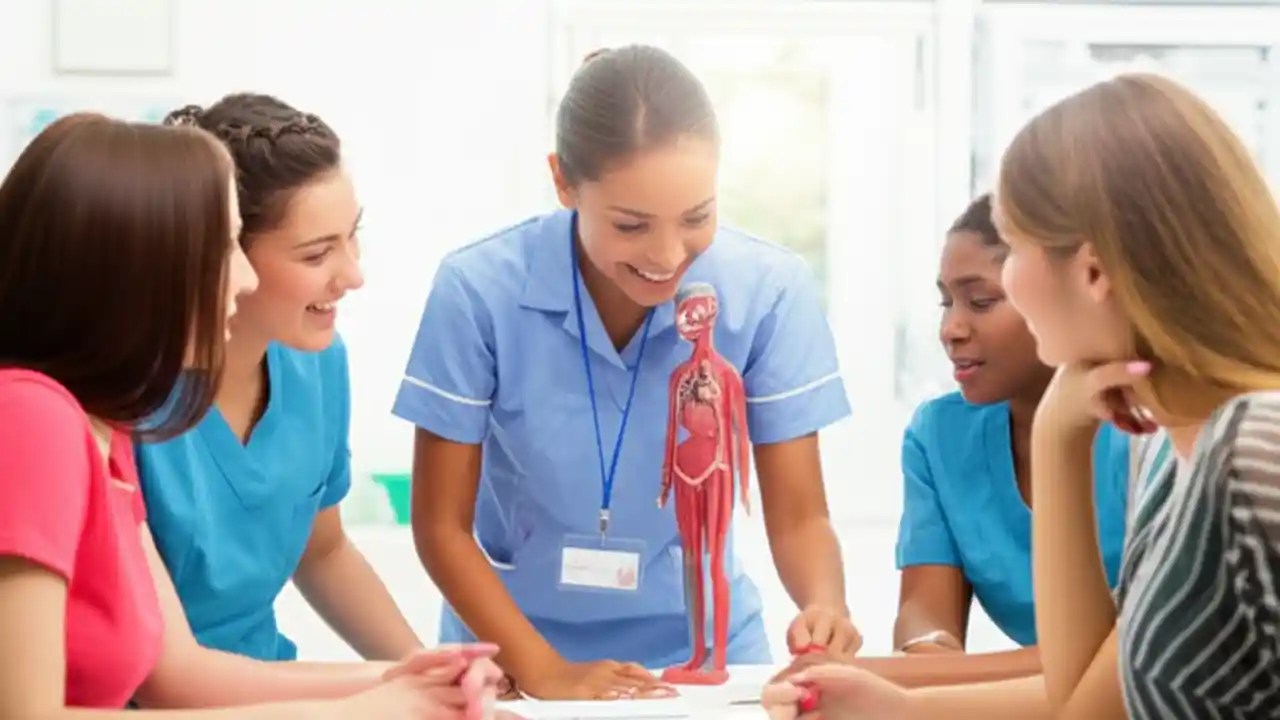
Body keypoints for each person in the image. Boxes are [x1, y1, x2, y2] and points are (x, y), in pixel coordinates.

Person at [763, 71, 1280, 719]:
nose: (954, 324)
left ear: (1092, 272)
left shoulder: (1252, 450)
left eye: (1013, 252)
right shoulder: (1180, 473)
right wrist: (1059, 435)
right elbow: (1087, 705)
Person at [394, 44, 859, 701]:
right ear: (563, 183)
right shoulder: (478, 290)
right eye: (631, 225)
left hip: (705, 661)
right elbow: (440, 527)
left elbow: (799, 515)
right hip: (514, 655)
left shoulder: (769, 290)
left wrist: (824, 604)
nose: (669, 255)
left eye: (697, 217)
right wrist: (544, 671)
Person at [0, 113, 505, 718]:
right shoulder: (34, 415)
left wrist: (412, 683)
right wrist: (371, 706)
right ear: (143, 269)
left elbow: (179, 671)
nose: (241, 279)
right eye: (223, 249)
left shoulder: (102, 431)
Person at [773, 194, 1130, 689]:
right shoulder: (940, 435)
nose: (951, 329)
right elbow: (926, 615)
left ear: (1083, 282)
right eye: (946, 301)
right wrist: (927, 655)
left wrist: (882, 676)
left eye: (981, 302)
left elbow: (1120, 656)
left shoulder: (1148, 432)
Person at [134, 93, 422, 664]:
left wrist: (426, 670)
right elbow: (170, 675)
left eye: (352, 236)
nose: (353, 275)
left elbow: (323, 550)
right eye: (317, 256)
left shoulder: (316, 364)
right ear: (219, 251)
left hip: (272, 683)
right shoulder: (130, 395)